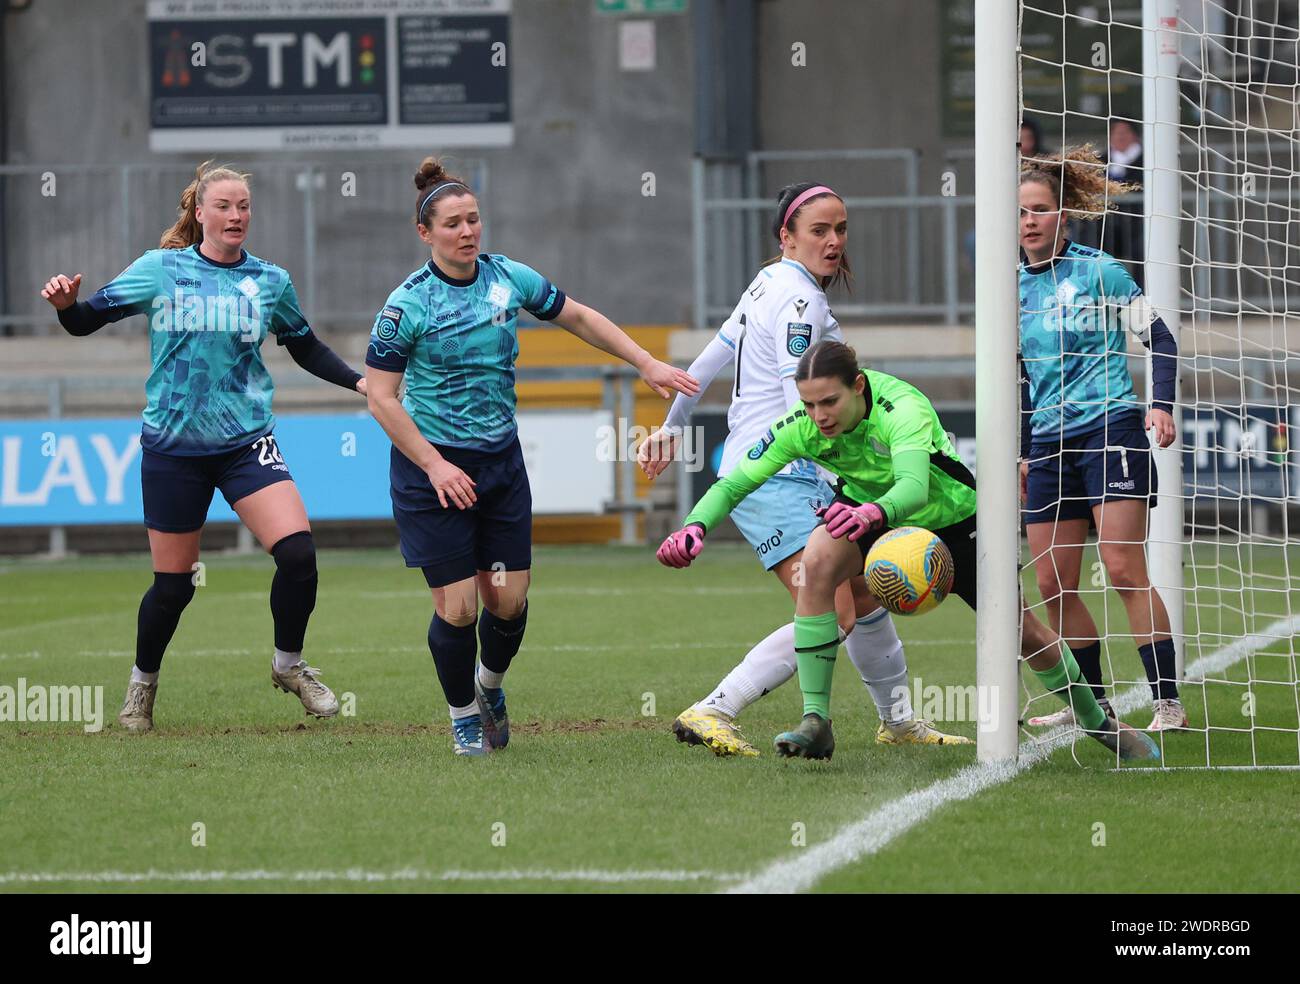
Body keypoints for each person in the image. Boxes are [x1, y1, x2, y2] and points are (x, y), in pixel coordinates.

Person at [658, 340, 1161, 763]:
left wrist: (870, 514)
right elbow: (738, 481)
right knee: (816, 565)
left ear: (858, 387)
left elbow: (914, 488)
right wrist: (695, 525)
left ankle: (1097, 720)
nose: (818, 416)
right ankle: (817, 719)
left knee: (1021, 630)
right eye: (809, 405)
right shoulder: (803, 425)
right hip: (869, 513)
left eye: (828, 402)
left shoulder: (903, 407)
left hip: (955, 520)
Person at [365, 157, 698, 757]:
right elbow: (382, 398)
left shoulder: (506, 278)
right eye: (452, 224)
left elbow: (577, 316)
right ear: (425, 233)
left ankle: (489, 687)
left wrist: (644, 361)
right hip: (431, 470)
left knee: (508, 600)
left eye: (474, 220)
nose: (468, 232)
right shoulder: (405, 306)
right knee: (460, 606)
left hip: (498, 464)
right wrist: (436, 466)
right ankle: (463, 716)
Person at [637, 182, 968, 757]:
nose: (834, 241)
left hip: (769, 466)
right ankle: (715, 709)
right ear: (786, 237)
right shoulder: (800, 301)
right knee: (833, 606)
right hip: (777, 473)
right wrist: (841, 475)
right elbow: (805, 406)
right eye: (819, 230)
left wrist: (672, 425)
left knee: (863, 595)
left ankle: (899, 722)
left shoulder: (767, 281)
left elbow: (711, 358)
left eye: (841, 229)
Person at [40, 161, 366, 732]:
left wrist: (361, 382)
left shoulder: (270, 281)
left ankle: (288, 666)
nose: (236, 215)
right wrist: (68, 304)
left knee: (297, 555)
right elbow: (84, 323)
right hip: (172, 448)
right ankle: (142, 686)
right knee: (174, 587)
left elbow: (306, 347)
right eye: (224, 206)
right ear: (199, 212)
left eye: (244, 207)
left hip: (245, 442)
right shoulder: (160, 269)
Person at [1018, 147, 1185, 731]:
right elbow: (1021, 375)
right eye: (1021, 213)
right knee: (1050, 581)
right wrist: (1021, 447)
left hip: (1110, 428)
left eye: (1040, 210)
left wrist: (1159, 405)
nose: (1029, 221)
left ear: (1064, 215)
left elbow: (1160, 338)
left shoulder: (1099, 270)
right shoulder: (1010, 288)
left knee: (1120, 566)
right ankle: (1093, 706)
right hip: (1047, 444)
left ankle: (1168, 702)